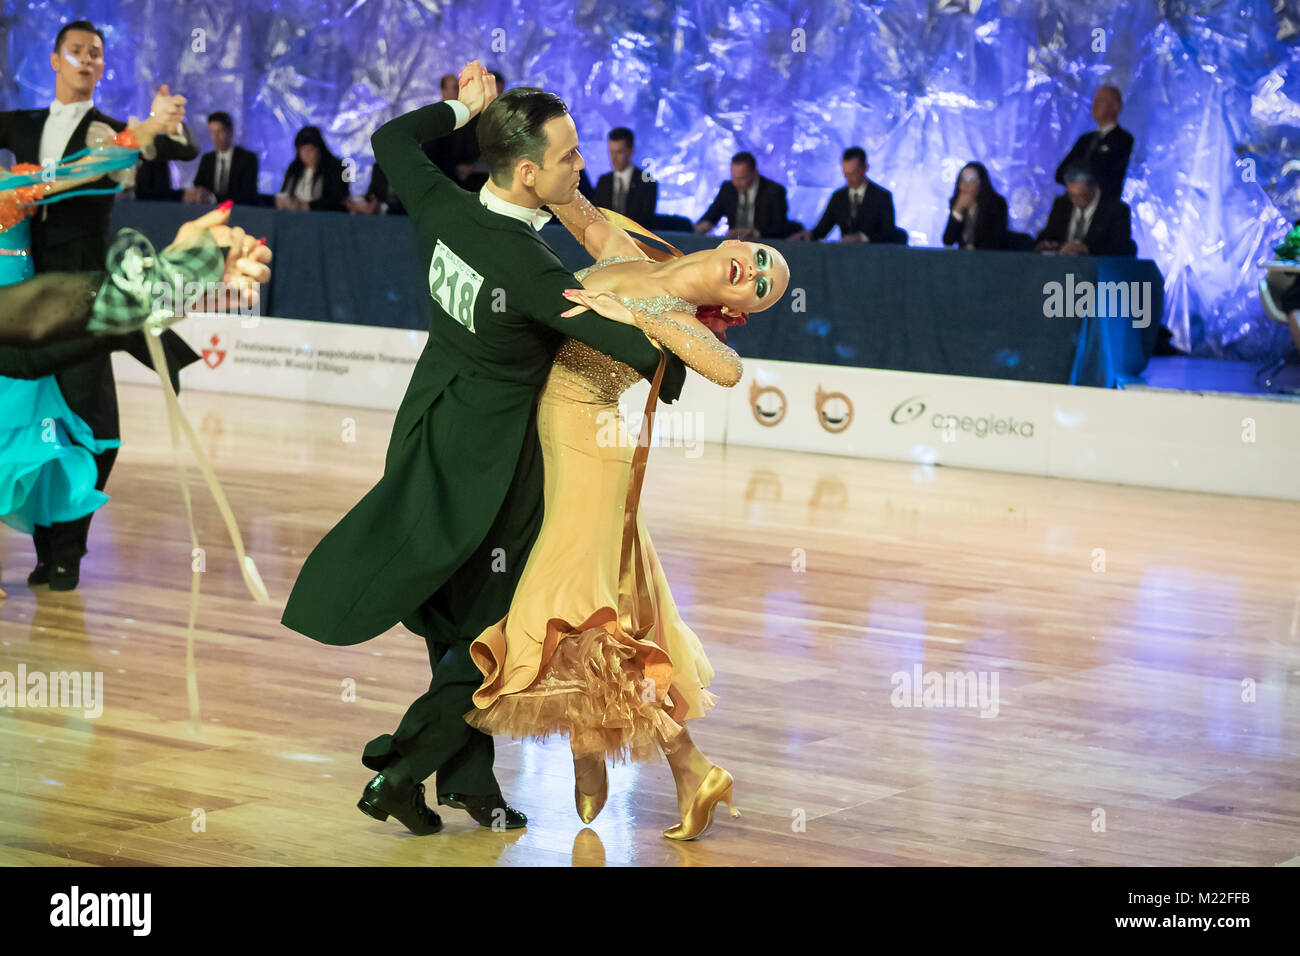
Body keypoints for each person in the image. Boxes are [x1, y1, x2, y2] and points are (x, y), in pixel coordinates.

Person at [281, 62, 688, 837]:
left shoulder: (441, 202)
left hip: (428, 427)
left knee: (455, 616)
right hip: (495, 464)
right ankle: (401, 771)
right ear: (529, 172)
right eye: (570, 158)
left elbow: (392, 138)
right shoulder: (529, 265)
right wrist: (701, 314)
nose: (582, 168)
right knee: (498, 633)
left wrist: (460, 109)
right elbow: (643, 353)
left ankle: (471, 783)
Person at [465, 186, 789, 840]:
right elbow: (578, 213)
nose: (751, 273)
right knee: (606, 608)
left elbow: (725, 369)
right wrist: (552, 169)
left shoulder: (680, 313)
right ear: (734, 240)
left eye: (761, 287)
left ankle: (661, 756)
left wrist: (638, 316)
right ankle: (631, 754)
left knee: (571, 608)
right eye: (757, 259)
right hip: (557, 444)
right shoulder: (634, 253)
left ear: (739, 307)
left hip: (594, 451)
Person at [0, 19, 203, 591]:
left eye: (96, 54)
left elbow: (179, 148)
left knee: (95, 427)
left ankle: (70, 549)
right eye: (77, 52)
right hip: (24, 299)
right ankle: (46, 549)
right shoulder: (23, 123)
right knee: (38, 428)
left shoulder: (115, 131)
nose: (87, 60)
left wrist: (168, 122)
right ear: (54, 59)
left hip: (88, 298)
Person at [790, 146, 898, 243]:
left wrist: (862, 237)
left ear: (865, 168)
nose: (849, 179)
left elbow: (888, 233)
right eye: (846, 174)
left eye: (853, 174)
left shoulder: (882, 197)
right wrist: (807, 235)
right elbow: (822, 230)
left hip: (874, 257)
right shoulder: (839, 197)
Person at [1035, 165, 1137, 257]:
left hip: (1096, 271)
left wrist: (1087, 249)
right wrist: (1046, 244)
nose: (1074, 200)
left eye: (1080, 196)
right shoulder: (1062, 204)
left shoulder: (1116, 210)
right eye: (1071, 195)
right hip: (1060, 267)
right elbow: (1050, 233)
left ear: (1094, 189)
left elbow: (1123, 250)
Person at [694, 151, 801, 239]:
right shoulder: (728, 188)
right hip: (734, 247)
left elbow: (779, 227)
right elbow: (711, 215)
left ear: (755, 173)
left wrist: (754, 232)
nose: (737, 183)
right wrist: (704, 225)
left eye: (742, 178)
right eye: (734, 178)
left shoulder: (774, 191)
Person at [1054, 85, 1134, 200]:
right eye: (1094, 101)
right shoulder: (1085, 139)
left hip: (1102, 210)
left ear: (1115, 106)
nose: (1094, 105)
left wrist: (1079, 178)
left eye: (1100, 101)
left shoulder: (1123, 139)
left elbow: (1107, 174)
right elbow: (1060, 173)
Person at [187, 111, 260, 205]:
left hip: (237, 213)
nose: (215, 137)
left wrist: (213, 199)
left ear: (231, 131)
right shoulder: (207, 159)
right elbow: (199, 186)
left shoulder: (247, 159)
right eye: (212, 132)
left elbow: (247, 195)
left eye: (220, 131)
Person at [275, 126, 348, 212]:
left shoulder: (337, 167)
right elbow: (285, 191)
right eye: (302, 151)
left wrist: (309, 206)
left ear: (319, 149)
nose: (306, 155)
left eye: (310, 150)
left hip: (324, 219)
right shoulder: (294, 167)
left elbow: (337, 199)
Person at [592, 127, 657, 224]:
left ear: (631, 151)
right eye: (611, 152)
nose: (613, 158)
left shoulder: (647, 182)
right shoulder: (603, 181)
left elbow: (645, 221)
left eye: (619, 152)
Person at [941, 161, 1008, 250]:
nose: (966, 185)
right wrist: (957, 211)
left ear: (981, 183)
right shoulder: (955, 202)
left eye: (972, 180)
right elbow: (948, 240)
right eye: (963, 180)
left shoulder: (997, 203)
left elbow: (997, 240)